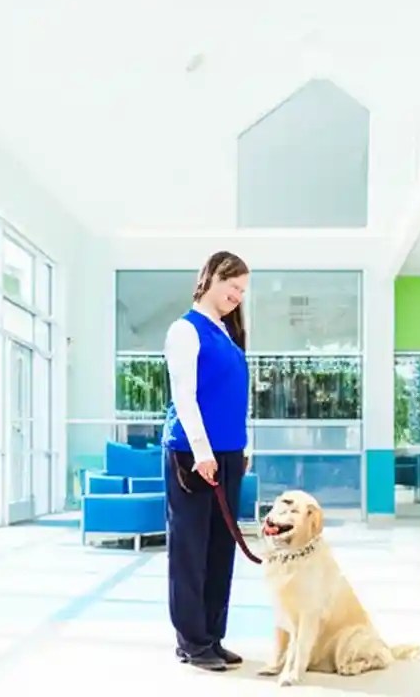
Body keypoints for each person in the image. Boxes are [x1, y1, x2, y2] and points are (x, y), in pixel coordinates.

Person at [162, 250, 252, 672]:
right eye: (232, 286)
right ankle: (191, 641)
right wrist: (202, 452)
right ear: (211, 279)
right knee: (190, 551)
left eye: (242, 290)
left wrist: (241, 449)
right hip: (193, 456)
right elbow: (185, 395)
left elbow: (232, 399)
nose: (237, 296)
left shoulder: (226, 335)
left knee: (221, 550)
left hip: (229, 455)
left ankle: (212, 637)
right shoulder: (186, 330)